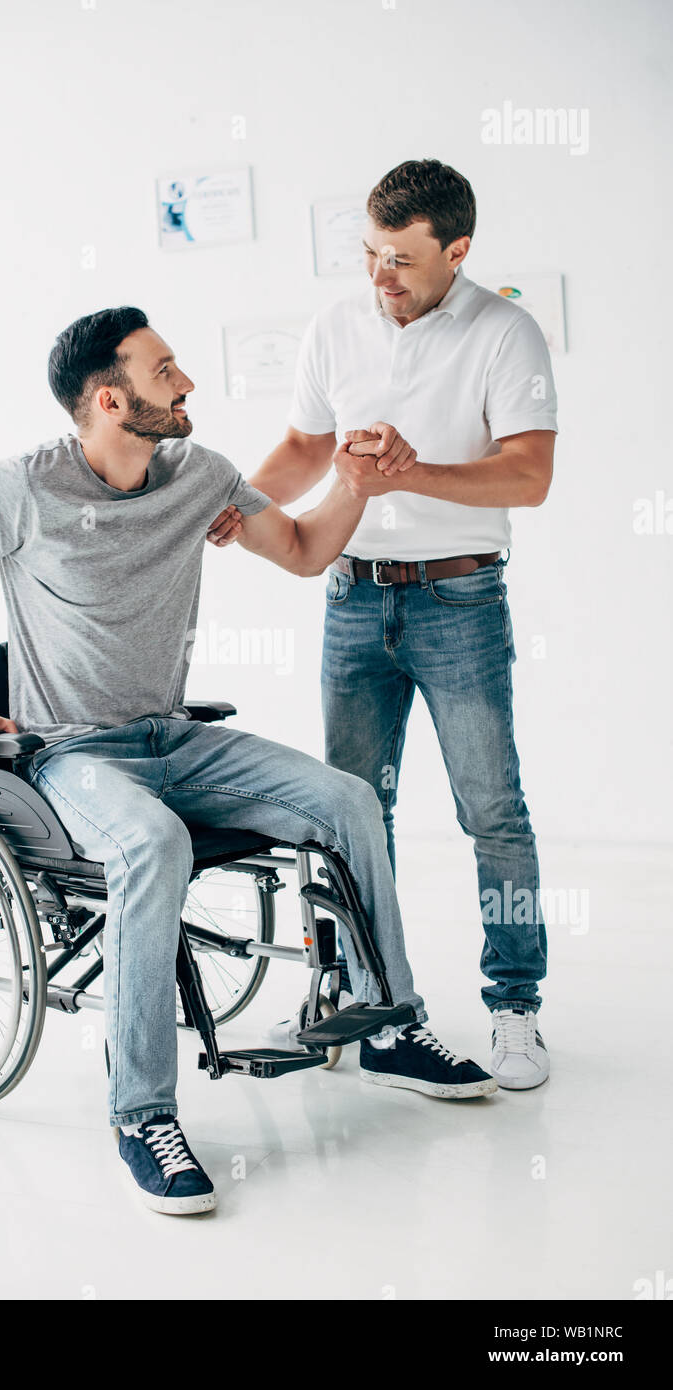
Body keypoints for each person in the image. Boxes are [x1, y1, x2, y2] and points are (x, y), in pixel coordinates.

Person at [0, 306, 495, 1219]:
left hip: (174, 735)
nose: (186, 384)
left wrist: (357, 483)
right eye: (165, 370)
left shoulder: (201, 475)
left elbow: (300, 551)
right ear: (110, 400)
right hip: (69, 753)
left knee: (344, 799)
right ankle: (141, 1114)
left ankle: (389, 1024)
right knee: (150, 842)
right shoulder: (18, 487)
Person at [207, 160, 557, 1091]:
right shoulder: (336, 325)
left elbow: (528, 475)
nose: (378, 277)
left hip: (459, 600)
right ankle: (357, 995)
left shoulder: (504, 332)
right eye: (368, 253)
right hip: (352, 596)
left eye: (400, 259)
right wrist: (228, 501)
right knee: (350, 810)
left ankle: (513, 1007)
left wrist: (415, 474)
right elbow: (304, 449)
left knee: (492, 811)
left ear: (456, 250)